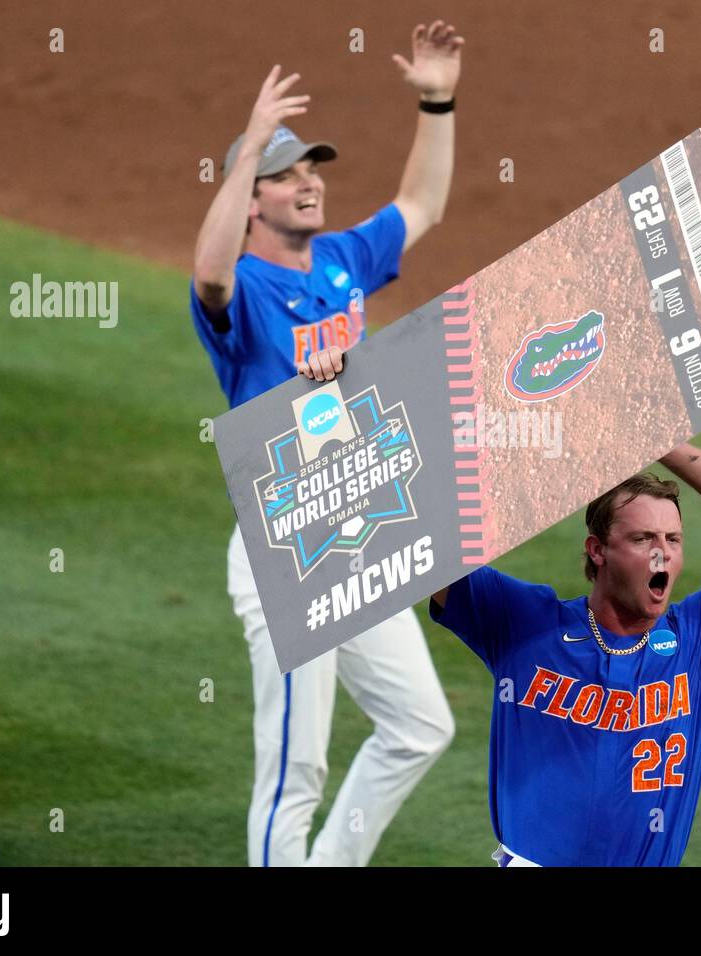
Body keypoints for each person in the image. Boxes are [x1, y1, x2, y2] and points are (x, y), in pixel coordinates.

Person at [189, 20, 465, 867]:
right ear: (254, 199)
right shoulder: (243, 291)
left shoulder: (342, 258)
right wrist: (241, 159)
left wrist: (436, 99)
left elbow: (421, 204)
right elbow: (209, 270)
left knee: (422, 724)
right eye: (287, 174)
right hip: (286, 541)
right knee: (294, 766)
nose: (308, 182)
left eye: (312, 168)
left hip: (358, 528)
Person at [429, 442, 701, 866]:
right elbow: (429, 537)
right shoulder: (524, 624)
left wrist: (661, 440)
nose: (662, 553)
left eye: (673, 539)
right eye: (642, 538)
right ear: (598, 550)